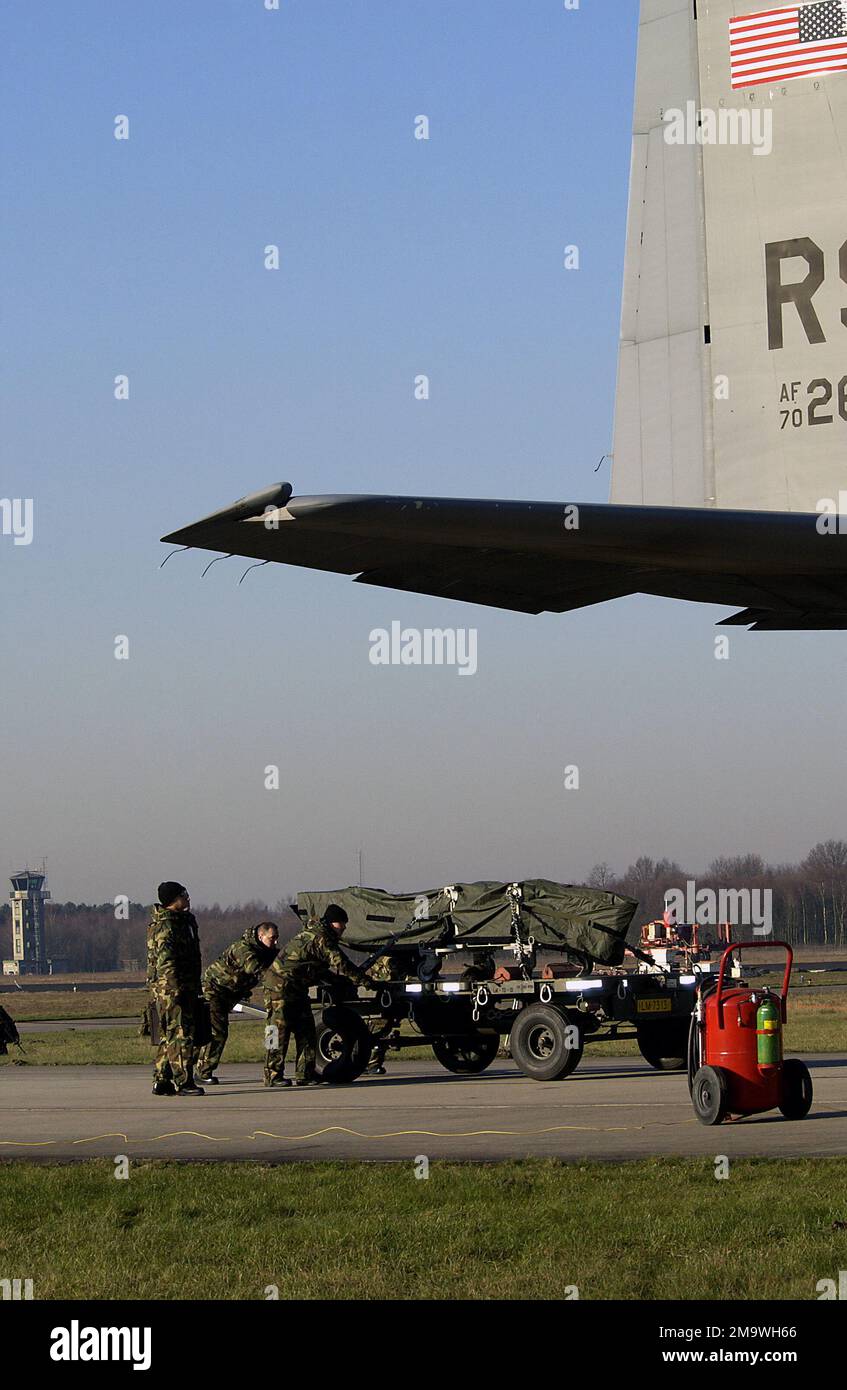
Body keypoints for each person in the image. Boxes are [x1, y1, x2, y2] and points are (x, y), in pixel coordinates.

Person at [263, 905, 379, 1087]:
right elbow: (341, 963)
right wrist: (365, 981)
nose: (344, 928)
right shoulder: (321, 938)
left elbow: (320, 970)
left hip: (297, 987)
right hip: (279, 987)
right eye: (342, 923)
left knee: (307, 1030)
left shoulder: (320, 936)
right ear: (333, 923)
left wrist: (341, 982)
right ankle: (272, 1075)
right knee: (277, 1032)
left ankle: (305, 1074)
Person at [195, 921, 279, 1084]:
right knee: (217, 1032)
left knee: (206, 1033)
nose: (275, 942)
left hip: (229, 994)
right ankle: (203, 1072)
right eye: (272, 938)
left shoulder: (265, 950)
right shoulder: (243, 949)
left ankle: (190, 1067)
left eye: (277, 938)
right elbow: (257, 970)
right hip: (214, 991)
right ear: (261, 936)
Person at [146, 881, 204, 1097]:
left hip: (186, 986)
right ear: (173, 900)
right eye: (183, 895)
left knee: (169, 1035)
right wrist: (175, 989)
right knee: (181, 1034)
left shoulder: (184, 922)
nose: (188, 898)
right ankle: (184, 1081)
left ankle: (162, 1079)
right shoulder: (165, 926)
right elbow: (166, 963)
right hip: (172, 990)